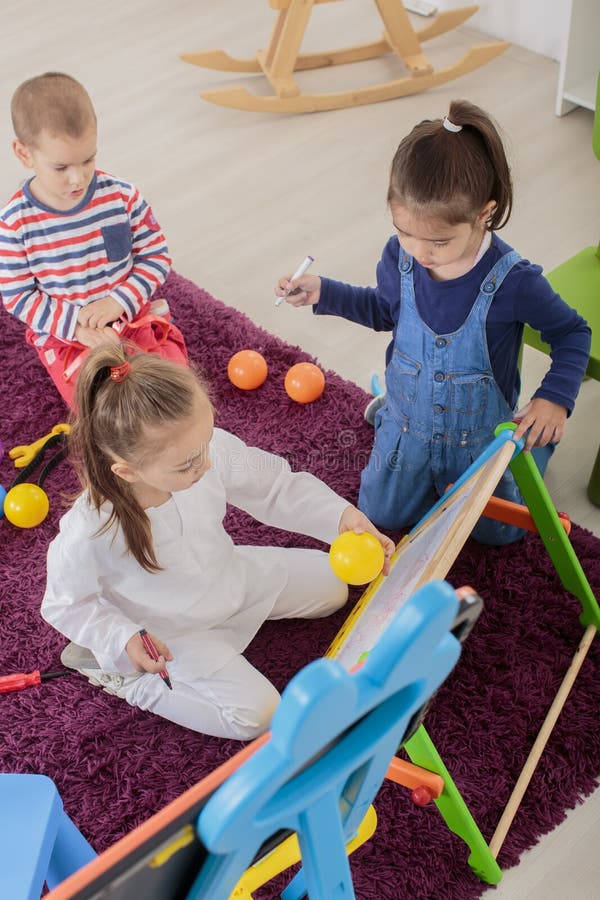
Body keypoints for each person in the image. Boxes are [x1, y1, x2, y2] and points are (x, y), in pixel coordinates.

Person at [275, 100, 591, 545]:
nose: (420, 252)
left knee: (498, 533)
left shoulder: (515, 282)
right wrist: (324, 291)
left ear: (484, 213)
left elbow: (573, 332)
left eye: (439, 241)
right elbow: (385, 312)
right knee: (379, 512)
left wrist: (553, 399)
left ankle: (535, 450)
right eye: (405, 233)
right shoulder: (398, 256)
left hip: (477, 438)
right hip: (410, 428)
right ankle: (389, 411)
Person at [41, 346, 394, 741]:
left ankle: (229, 624)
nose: (206, 464)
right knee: (259, 717)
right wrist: (121, 637)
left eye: (206, 444)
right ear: (127, 470)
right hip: (173, 635)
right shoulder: (90, 529)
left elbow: (275, 488)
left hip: (229, 578)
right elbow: (65, 602)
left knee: (334, 589)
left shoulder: (204, 452)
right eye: (188, 463)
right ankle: (127, 682)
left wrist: (339, 518)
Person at [0, 72, 187, 408]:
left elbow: (155, 256)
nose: (78, 177)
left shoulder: (121, 196)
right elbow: (18, 297)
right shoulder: (14, 224)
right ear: (24, 154)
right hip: (70, 337)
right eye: (61, 167)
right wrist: (77, 327)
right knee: (100, 406)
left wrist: (120, 301)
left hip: (130, 316)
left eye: (88, 159)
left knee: (174, 386)